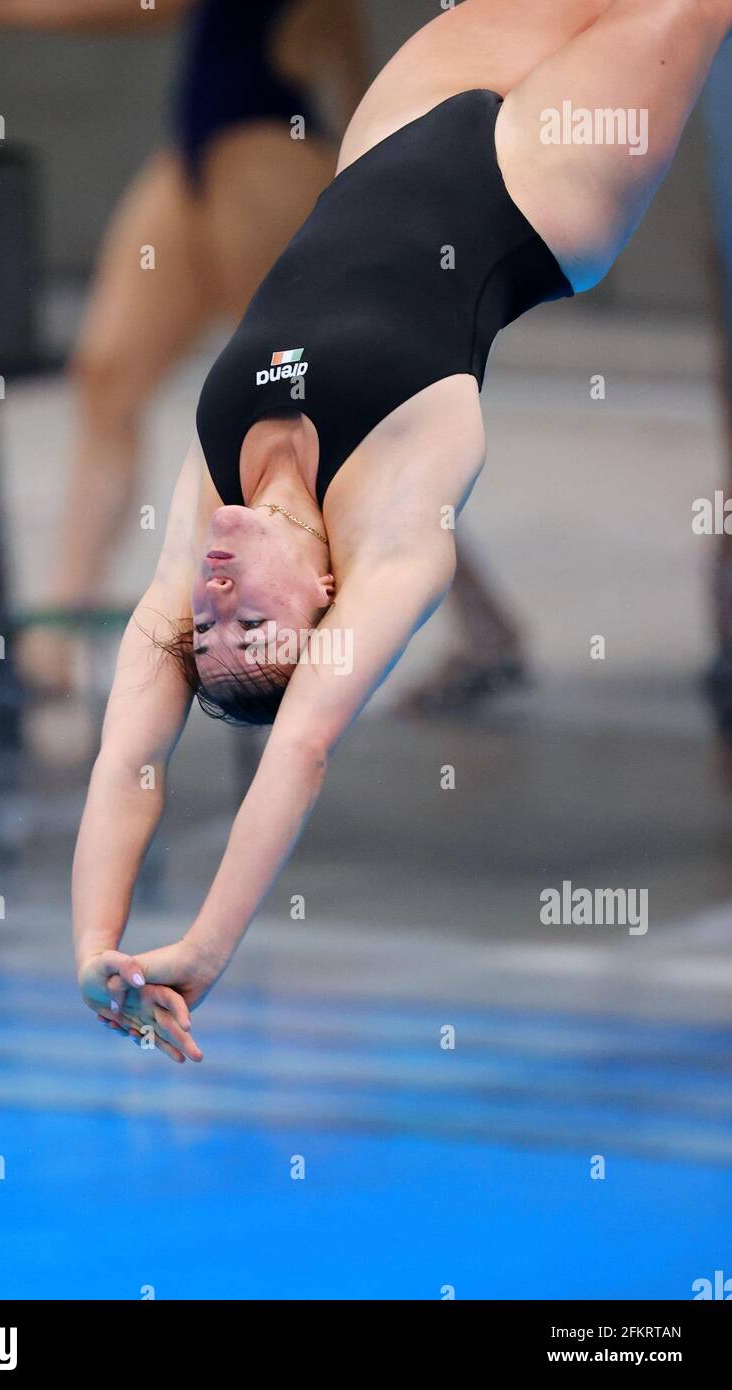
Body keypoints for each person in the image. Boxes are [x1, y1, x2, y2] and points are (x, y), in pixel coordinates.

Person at [69, 0, 732, 1063]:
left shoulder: (206, 493)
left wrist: (93, 940)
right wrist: (204, 943)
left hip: (397, 129)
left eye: (207, 622)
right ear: (322, 609)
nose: (214, 592)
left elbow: (126, 756)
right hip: (538, 191)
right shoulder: (391, 536)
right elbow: (304, 742)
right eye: (249, 625)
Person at [0, 0, 366, 690]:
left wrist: (0, 10)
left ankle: (463, 605)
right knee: (106, 376)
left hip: (270, 156)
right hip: (196, 157)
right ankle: (57, 638)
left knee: (318, 411)